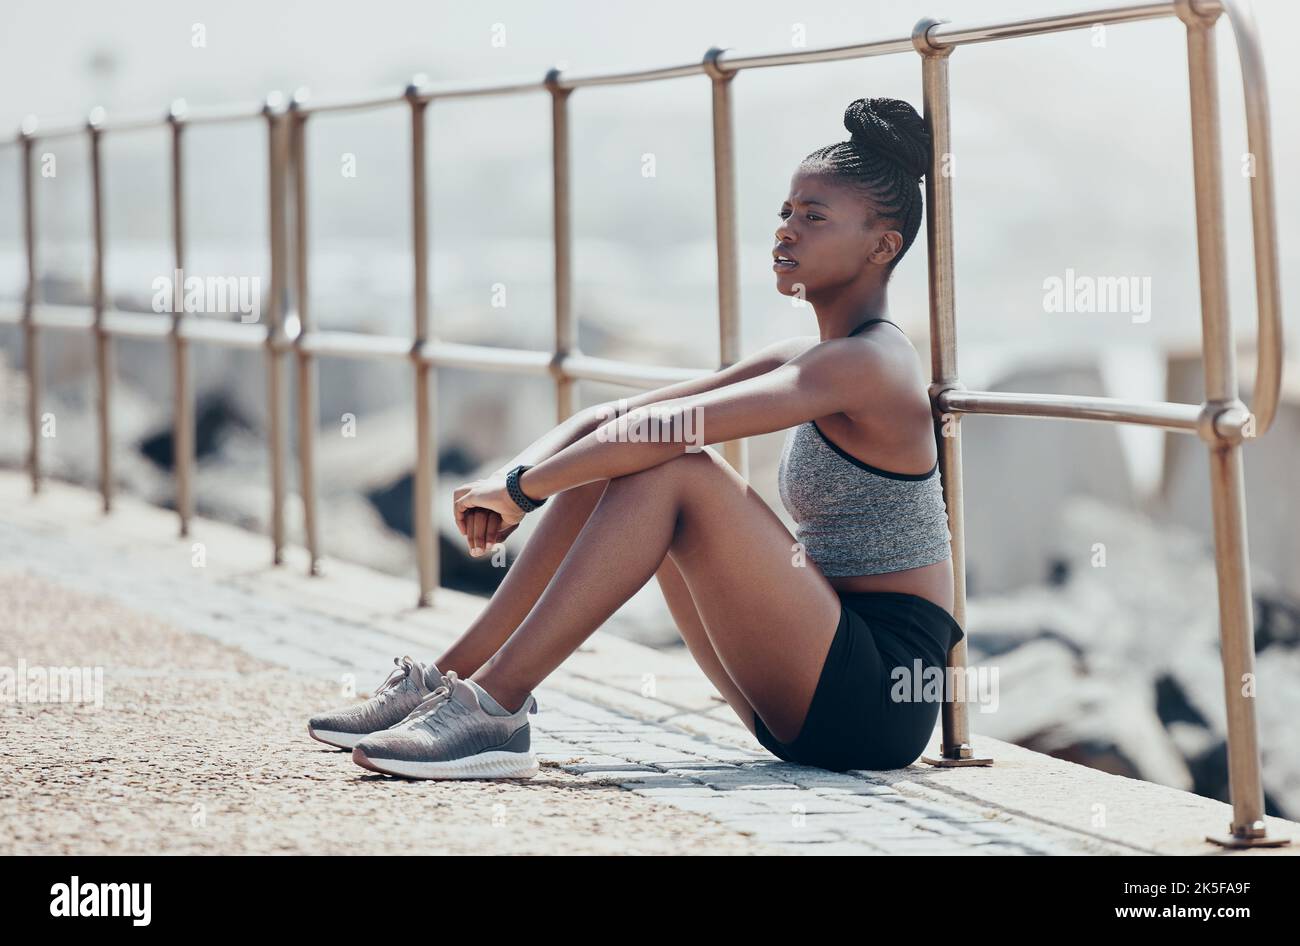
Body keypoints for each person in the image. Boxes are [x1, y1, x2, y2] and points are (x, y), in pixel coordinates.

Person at [307, 96, 965, 780]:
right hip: (813, 676)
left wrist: (520, 492)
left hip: (877, 694)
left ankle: (495, 710)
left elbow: (663, 434)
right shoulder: (809, 355)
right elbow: (614, 418)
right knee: (632, 459)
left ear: (882, 245)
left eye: (814, 217)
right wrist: (512, 479)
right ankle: (450, 680)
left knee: (676, 468)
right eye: (786, 212)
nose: (786, 232)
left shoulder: (870, 364)